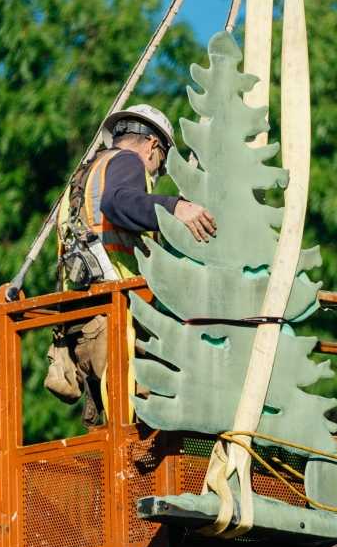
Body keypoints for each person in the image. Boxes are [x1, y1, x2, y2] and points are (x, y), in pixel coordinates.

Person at [45, 104, 217, 425]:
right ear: (152, 145)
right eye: (161, 163)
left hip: (82, 324)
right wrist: (175, 207)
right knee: (152, 419)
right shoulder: (127, 162)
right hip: (112, 318)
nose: (156, 173)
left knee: (119, 424)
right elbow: (120, 202)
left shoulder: (84, 177)